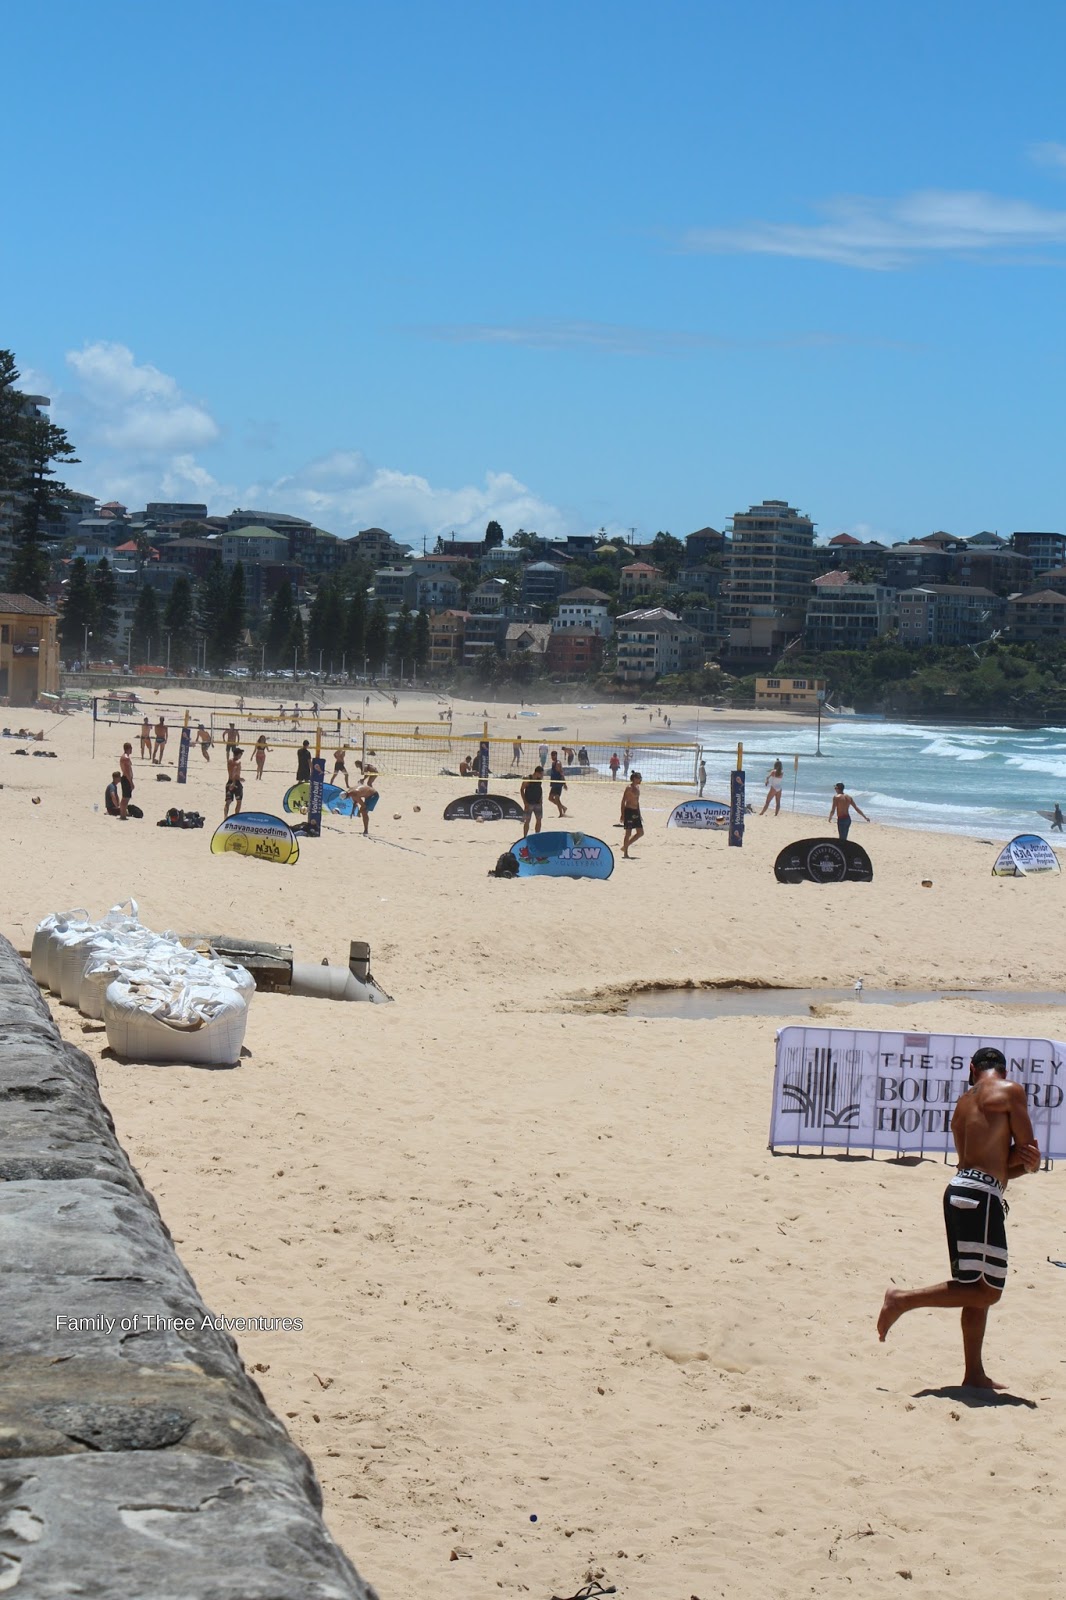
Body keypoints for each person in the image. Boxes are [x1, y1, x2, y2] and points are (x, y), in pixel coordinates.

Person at [877, 1046, 1040, 1390]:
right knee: (988, 1292)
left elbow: (994, 1161)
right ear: (1004, 1072)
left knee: (972, 1289)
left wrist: (1021, 1161)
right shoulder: (1011, 1091)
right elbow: (1024, 1154)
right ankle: (903, 1299)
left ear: (971, 1068)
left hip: (959, 1191)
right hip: (981, 1196)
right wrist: (1033, 1161)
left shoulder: (963, 1104)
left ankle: (974, 1374)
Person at [620, 772, 644, 858]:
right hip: (628, 811)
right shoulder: (629, 788)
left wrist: (639, 814)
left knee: (640, 833)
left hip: (635, 811)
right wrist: (622, 814)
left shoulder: (637, 788)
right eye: (639, 778)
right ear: (634, 779)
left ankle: (625, 846)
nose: (640, 779)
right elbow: (623, 801)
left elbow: (637, 802)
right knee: (628, 833)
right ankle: (625, 853)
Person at [520, 765, 544, 838]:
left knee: (539, 820)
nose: (542, 776)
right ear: (537, 773)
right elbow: (521, 790)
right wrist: (525, 802)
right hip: (529, 803)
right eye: (541, 774)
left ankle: (537, 836)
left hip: (537, 803)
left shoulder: (539, 779)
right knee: (527, 821)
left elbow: (540, 789)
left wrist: (541, 799)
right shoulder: (528, 779)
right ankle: (525, 837)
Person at [225, 747, 244, 818]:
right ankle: (236, 817)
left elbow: (232, 771)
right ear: (238, 754)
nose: (241, 755)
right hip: (235, 782)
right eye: (241, 753)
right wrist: (235, 781)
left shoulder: (229, 761)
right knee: (239, 801)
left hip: (229, 782)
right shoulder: (238, 762)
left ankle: (225, 817)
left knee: (228, 802)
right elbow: (234, 771)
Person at [548, 751, 568, 818]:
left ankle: (561, 814)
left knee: (557, 798)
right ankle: (563, 807)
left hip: (558, 784)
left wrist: (564, 783)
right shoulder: (553, 763)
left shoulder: (558, 763)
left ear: (556, 756)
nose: (553, 757)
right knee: (550, 798)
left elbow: (562, 773)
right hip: (554, 783)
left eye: (554, 755)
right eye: (552, 755)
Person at [118, 742, 135, 820]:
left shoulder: (123, 757)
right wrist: (131, 782)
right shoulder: (126, 758)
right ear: (128, 748)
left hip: (125, 778)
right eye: (131, 748)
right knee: (126, 798)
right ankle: (123, 815)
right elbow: (127, 772)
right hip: (126, 779)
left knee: (124, 798)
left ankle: (123, 814)